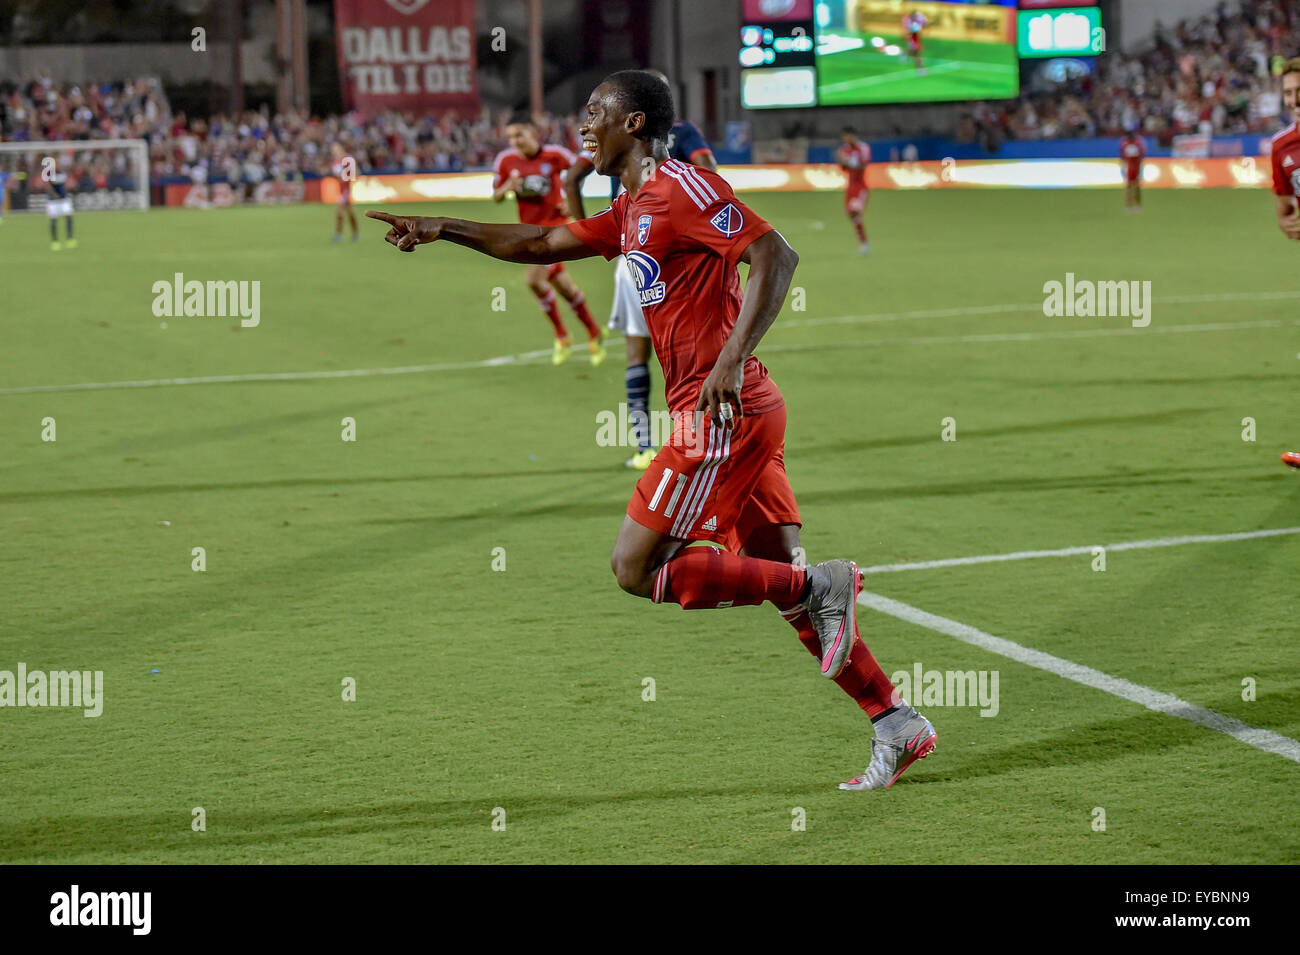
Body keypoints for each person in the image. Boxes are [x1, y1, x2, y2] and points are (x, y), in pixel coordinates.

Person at [367, 71, 936, 790]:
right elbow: (541, 241)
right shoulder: (633, 208)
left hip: (721, 412)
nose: (582, 126)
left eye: (596, 113)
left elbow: (775, 255)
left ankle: (826, 587)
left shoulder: (679, 188)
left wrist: (730, 361)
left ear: (634, 124)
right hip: (733, 413)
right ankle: (895, 720)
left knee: (634, 566)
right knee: (786, 588)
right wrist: (441, 227)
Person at [566, 70, 718, 469]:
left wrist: (587, 229)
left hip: (635, 247)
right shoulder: (682, 132)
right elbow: (710, 167)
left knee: (639, 351)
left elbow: (571, 178)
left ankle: (643, 446)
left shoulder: (627, 140)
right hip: (665, 245)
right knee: (693, 343)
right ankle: (694, 437)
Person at [493, 115, 605, 366]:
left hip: (556, 230)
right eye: (510, 137)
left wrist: (570, 200)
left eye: (519, 134)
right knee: (565, 288)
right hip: (530, 233)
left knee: (534, 280)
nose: (515, 141)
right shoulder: (506, 161)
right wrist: (507, 186)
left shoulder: (555, 155)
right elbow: (496, 196)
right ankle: (595, 332)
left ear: (533, 133)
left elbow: (581, 171)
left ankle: (562, 336)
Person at [1273, 58, 1300, 469]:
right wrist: (1285, 221)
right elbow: (1283, 206)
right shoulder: (1282, 148)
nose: (1294, 101)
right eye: (1289, 95)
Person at [836, 127, 872, 253]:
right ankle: (863, 242)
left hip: (860, 186)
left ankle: (864, 244)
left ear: (853, 136)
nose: (846, 139)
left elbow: (863, 166)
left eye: (848, 136)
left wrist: (848, 160)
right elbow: (844, 168)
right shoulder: (844, 149)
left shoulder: (863, 148)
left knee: (855, 212)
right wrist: (842, 161)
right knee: (852, 215)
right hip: (851, 187)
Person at [330, 142, 359, 243]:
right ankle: (355, 233)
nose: (334, 151)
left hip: (346, 189)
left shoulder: (347, 159)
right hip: (340, 189)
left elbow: (355, 172)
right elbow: (335, 175)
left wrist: (345, 178)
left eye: (335, 148)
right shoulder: (335, 161)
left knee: (339, 211)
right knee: (350, 212)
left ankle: (338, 235)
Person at [44, 157, 75, 251]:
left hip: (64, 199)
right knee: (54, 220)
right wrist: (54, 195)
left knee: (69, 216)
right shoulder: (49, 174)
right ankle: (55, 241)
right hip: (53, 201)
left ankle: (70, 239)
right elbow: (47, 186)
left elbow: (64, 184)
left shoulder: (63, 173)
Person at [1120, 128, 1146, 213]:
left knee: (1133, 186)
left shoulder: (1131, 143)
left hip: (1134, 166)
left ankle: (1134, 205)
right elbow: (1142, 154)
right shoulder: (1130, 143)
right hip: (1131, 167)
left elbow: (1141, 155)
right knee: (1131, 186)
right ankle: (1132, 205)